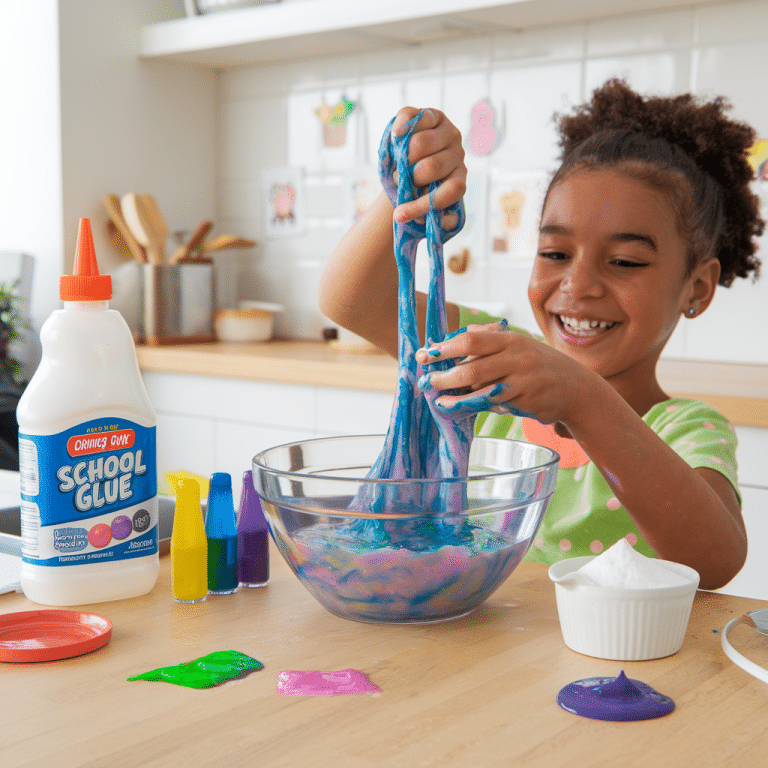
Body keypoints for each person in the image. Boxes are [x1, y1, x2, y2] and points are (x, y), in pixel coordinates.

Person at [318, 79, 764, 590]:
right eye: (554, 254)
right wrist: (408, 187)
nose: (578, 285)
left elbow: (714, 561)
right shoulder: (489, 362)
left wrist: (582, 398)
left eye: (625, 261)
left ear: (697, 287)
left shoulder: (686, 429)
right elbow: (350, 300)